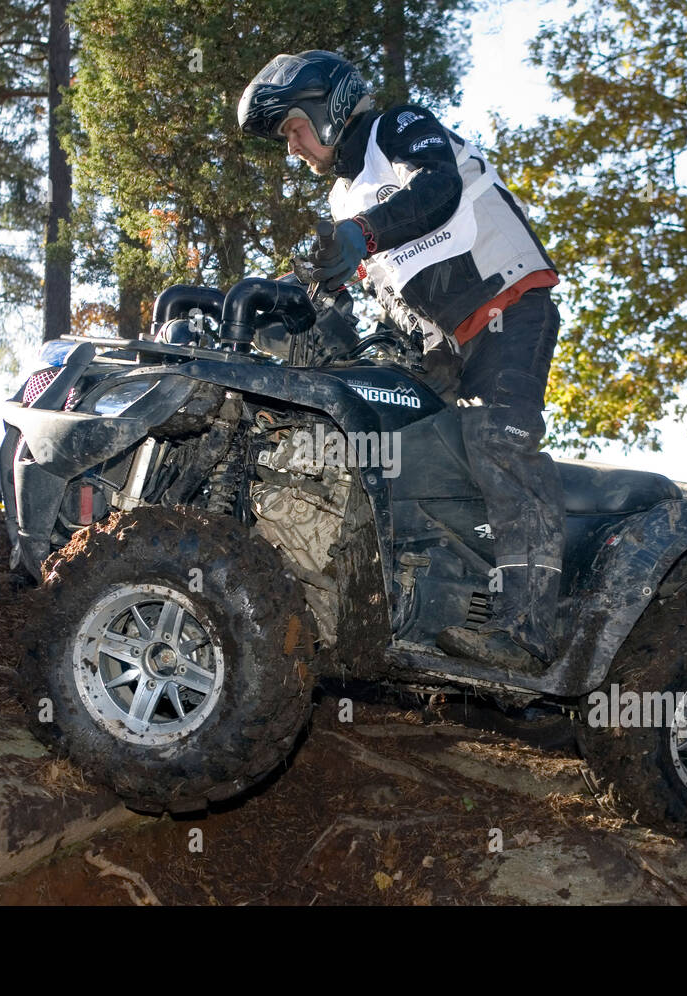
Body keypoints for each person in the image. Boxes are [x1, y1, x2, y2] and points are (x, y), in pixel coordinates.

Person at [239, 51, 564, 672]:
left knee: (500, 443)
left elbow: (437, 188)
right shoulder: (343, 200)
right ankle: (431, 614)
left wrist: (362, 233)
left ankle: (527, 632)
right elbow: (349, 288)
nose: (293, 149)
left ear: (325, 108)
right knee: (414, 454)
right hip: (443, 348)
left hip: (509, 308)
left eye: (293, 130)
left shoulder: (399, 127)